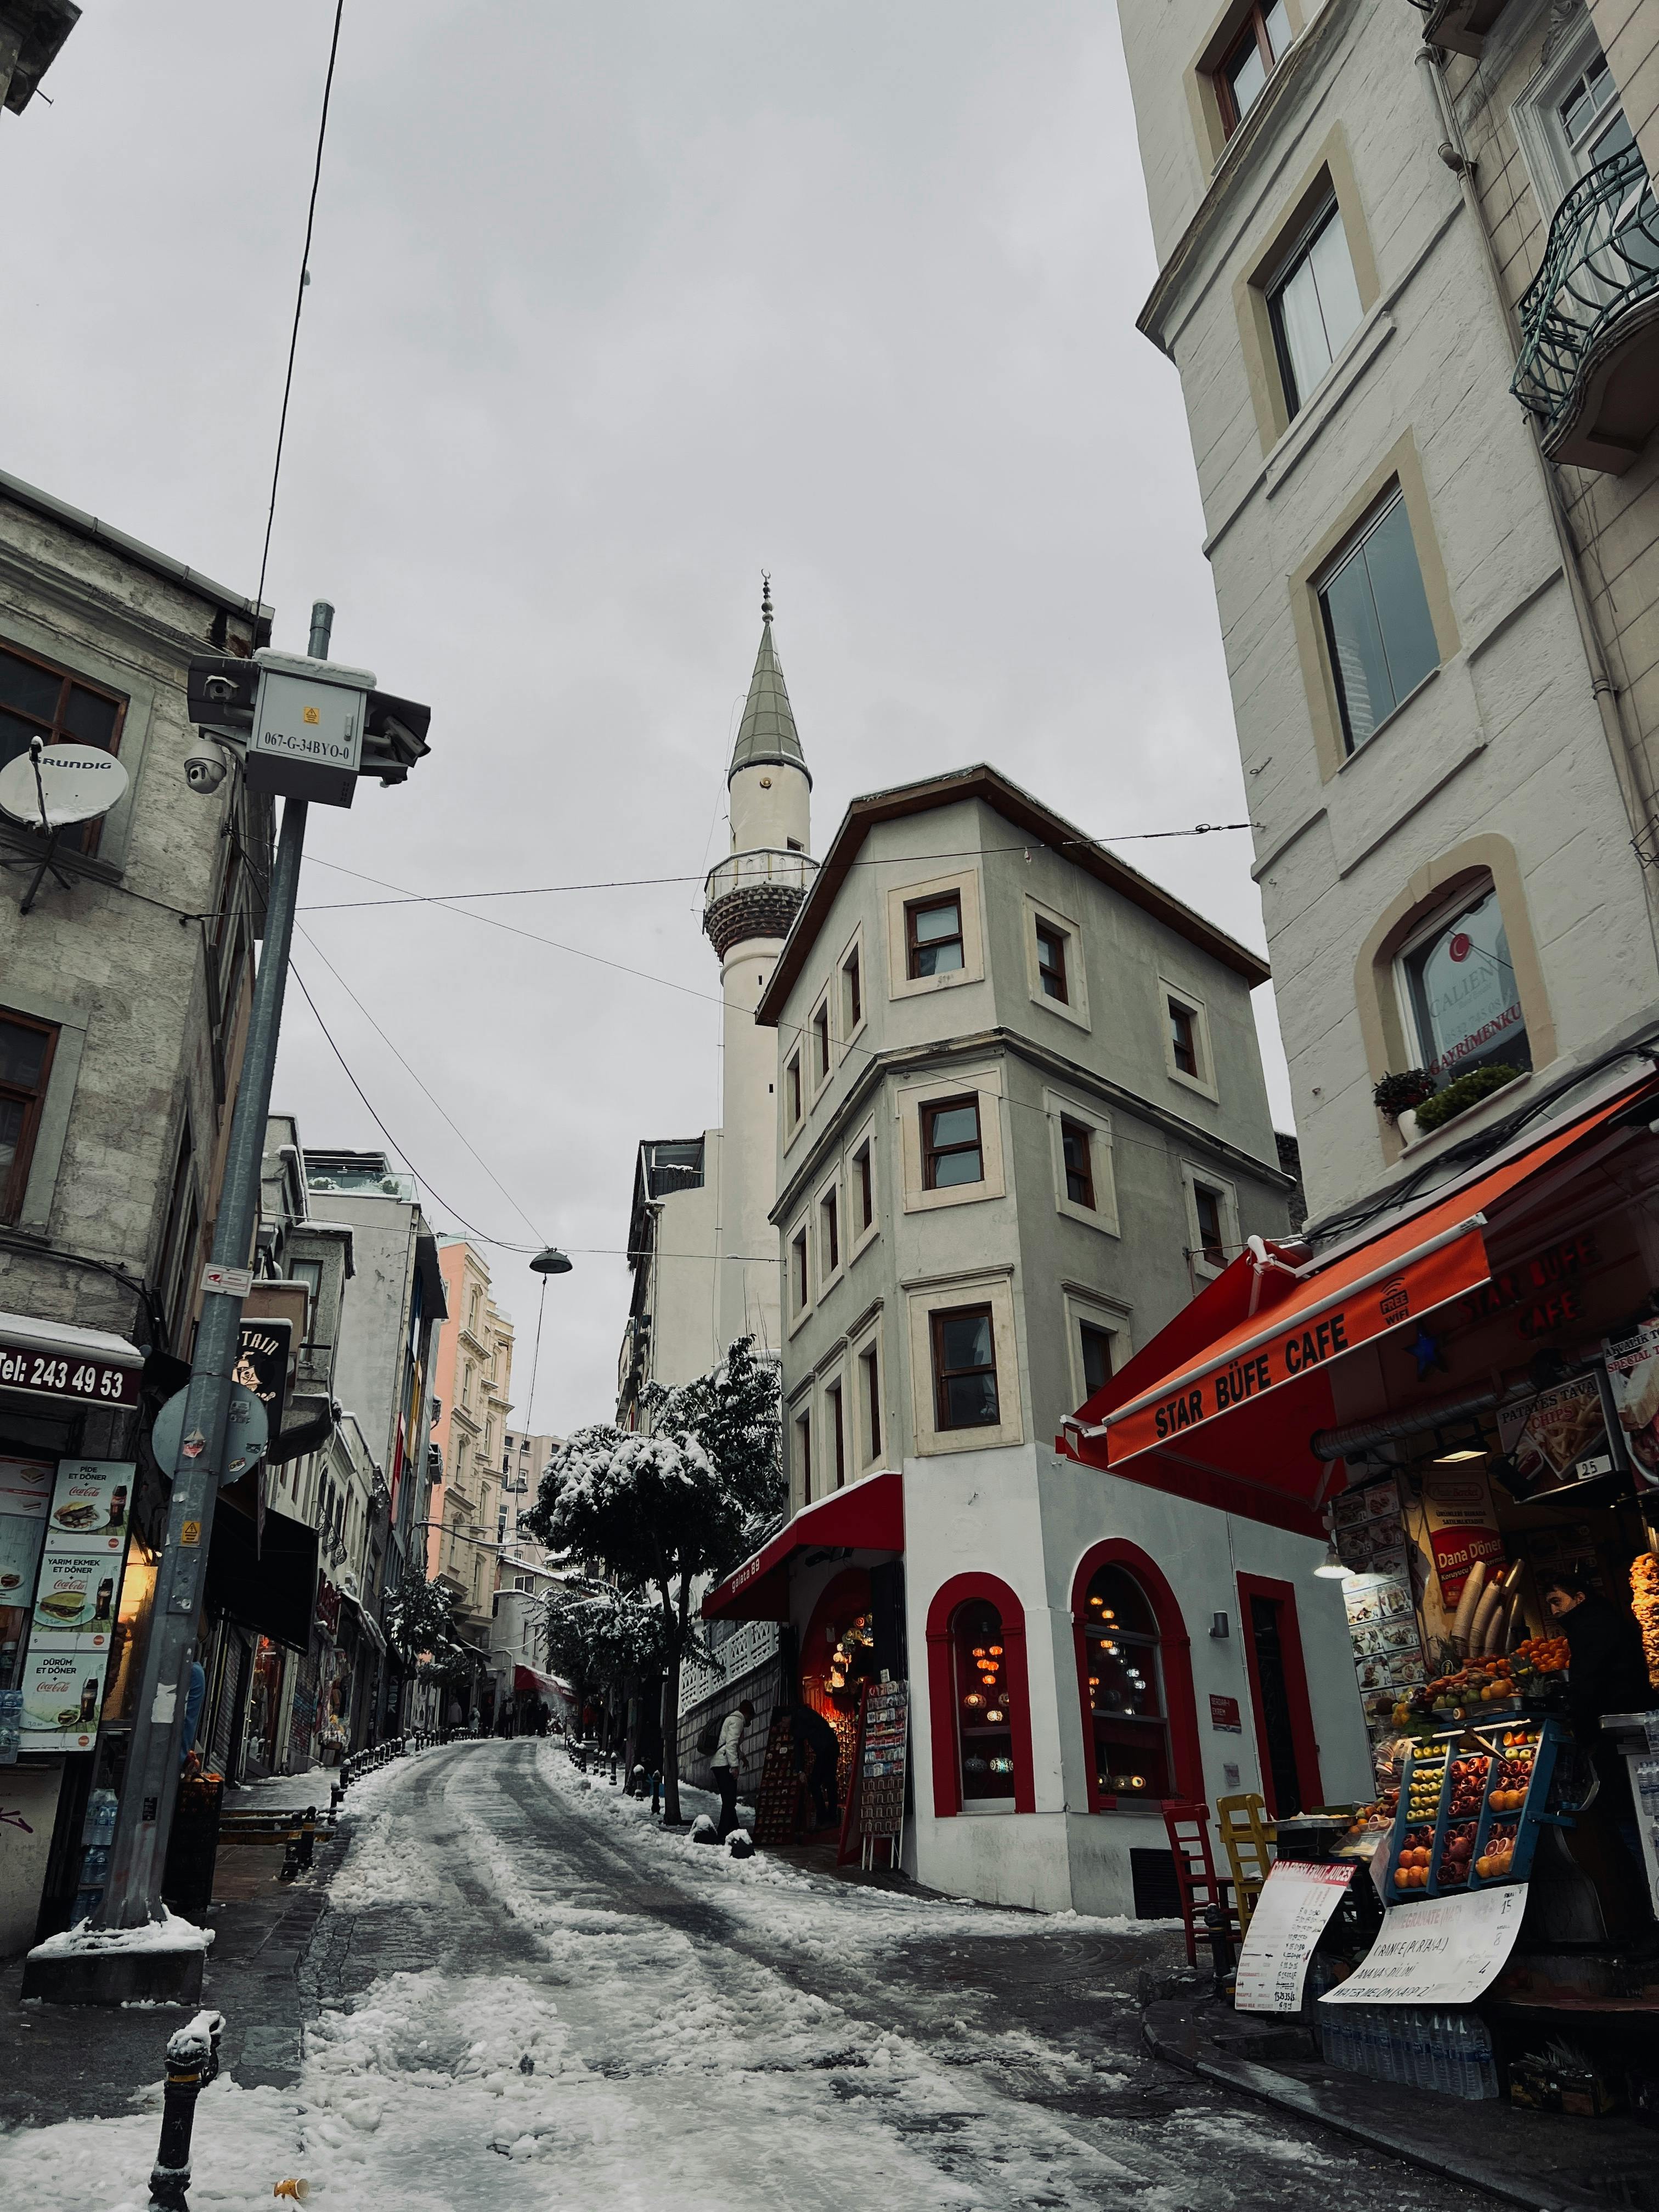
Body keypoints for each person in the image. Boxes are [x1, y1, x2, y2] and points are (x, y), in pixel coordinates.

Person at [1541, 1569, 1651, 1847]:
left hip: (1618, 1732)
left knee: (1629, 1815)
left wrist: (1583, 1733)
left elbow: (1589, 1683)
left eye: (1558, 1601)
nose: (1554, 1611)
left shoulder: (1590, 1627)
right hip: (1630, 1726)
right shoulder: (1602, 1620)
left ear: (1579, 1598)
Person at [788, 1700, 842, 1830]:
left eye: (783, 1723)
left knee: (816, 1783)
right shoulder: (805, 1714)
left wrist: (800, 1770)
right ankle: (830, 1817)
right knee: (828, 1782)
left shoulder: (798, 1721)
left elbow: (799, 1747)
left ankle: (825, 1818)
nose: (784, 1726)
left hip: (825, 1749)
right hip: (830, 1746)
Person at [710, 1699, 754, 1840]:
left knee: (729, 1800)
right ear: (747, 1714)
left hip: (719, 1763)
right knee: (729, 1801)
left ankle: (736, 1830)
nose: (750, 1722)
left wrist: (742, 1757)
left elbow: (731, 1745)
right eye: (750, 1718)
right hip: (724, 1765)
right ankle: (722, 1833)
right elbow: (731, 1745)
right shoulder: (738, 1721)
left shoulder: (731, 1719)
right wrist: (735, 1766)